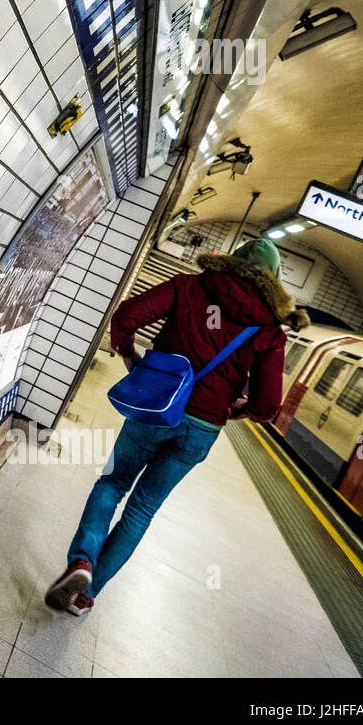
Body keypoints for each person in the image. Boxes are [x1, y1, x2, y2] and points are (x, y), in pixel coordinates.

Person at [44, 238, 311, 616]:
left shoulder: (189, 285)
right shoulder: (270, 331)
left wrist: (128, 355)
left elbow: (125, 317)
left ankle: (82, 562)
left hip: (156, 408)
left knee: (112, 483)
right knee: (141, 511)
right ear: (275, 281)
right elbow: (267, 406)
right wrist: (233, 411)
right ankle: (87, 595)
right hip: (202, 428)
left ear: (233, 263)